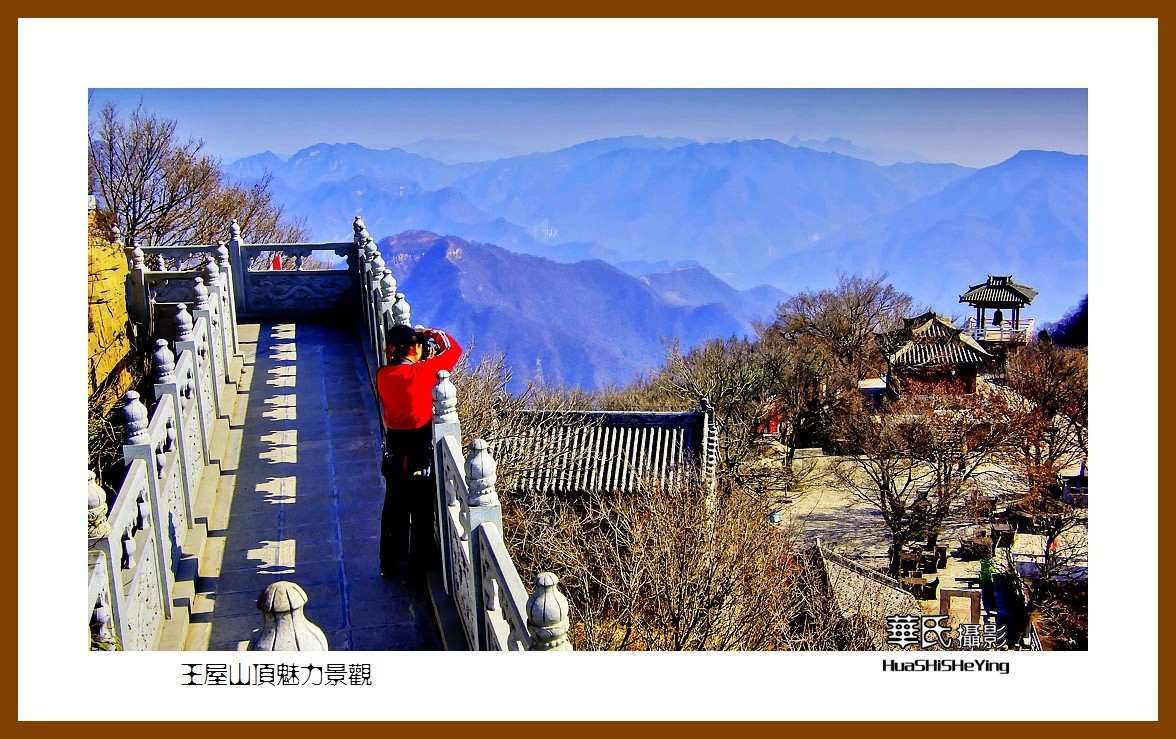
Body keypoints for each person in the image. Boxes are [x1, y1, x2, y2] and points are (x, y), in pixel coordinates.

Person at [377, 323, 463, 583]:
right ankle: (416, 570)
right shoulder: (422, 373)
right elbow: (453, 350)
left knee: (394, 507)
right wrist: (431, 333)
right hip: (419, 448)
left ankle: (390, 563)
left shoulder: (383, 375)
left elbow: (404, 375)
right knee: (421, 511)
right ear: (412, 348)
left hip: (394, 448)